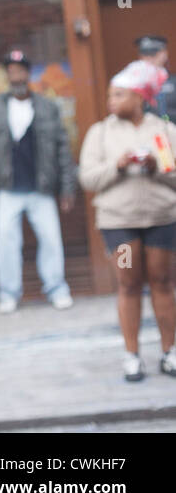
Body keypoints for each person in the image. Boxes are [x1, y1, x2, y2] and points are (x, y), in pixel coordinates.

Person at [78, 60, 176, 381]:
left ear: (140, 97)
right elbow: (88, 179)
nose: (112, 101)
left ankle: (169, 352)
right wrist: (117, 166)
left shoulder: (163, 130)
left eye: (120, 95)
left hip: (162, 219)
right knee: (128, 285)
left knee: (163, 283)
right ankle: (132, 356)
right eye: (110, 95)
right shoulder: (100, 132)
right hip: (119, 223)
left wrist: (156, 168)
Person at [0, 50, 76, 313]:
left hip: (41, 186)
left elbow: (62, 148)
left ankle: (56, 288)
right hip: (8, 187)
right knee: (5, 241)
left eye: (20, 70)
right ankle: (9, 293)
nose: (16, 75)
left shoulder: (47, 106)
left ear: (28, 73)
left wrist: (67, 188)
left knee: (51, 239)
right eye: (11, 70)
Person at [136, 35, 173, 120]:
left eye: (154, 53)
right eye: (145, 54)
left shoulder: (174, 81)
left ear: (164, 54)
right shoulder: (133, 84)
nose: (149, 58)